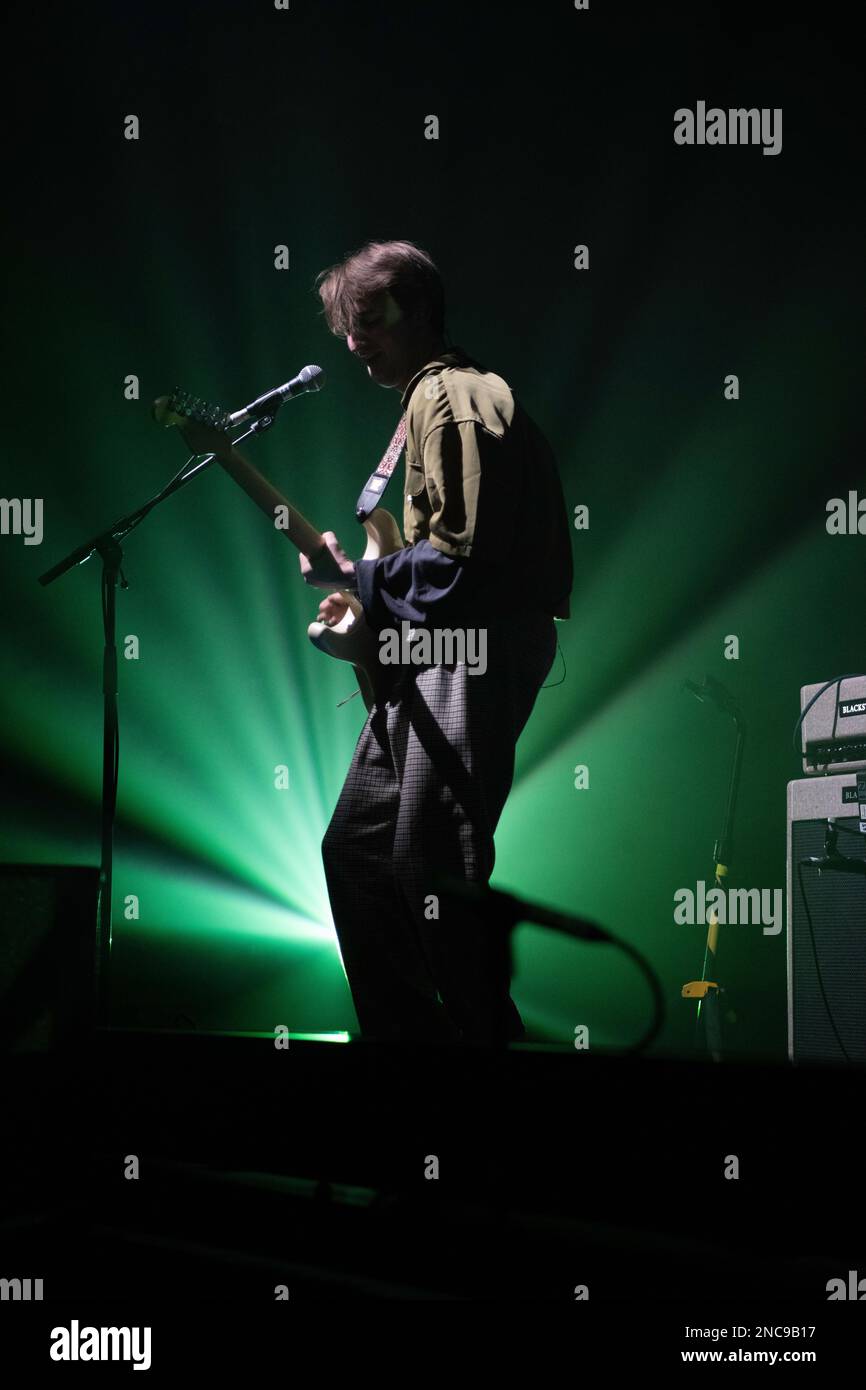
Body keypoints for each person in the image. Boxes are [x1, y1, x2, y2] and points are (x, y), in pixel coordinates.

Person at [300, 240, 572, 1044]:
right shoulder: (429, 399)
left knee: (431, 868)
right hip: (431, 658)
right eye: (346, 328)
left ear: (419, 309)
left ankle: (481, 1070)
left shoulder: (453, 395)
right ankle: (409, 1062)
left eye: (369, 320)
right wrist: (372, 597)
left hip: (472, 650)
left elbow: (462, 555)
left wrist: (366, 583)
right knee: (357, 855)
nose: (353, 342)